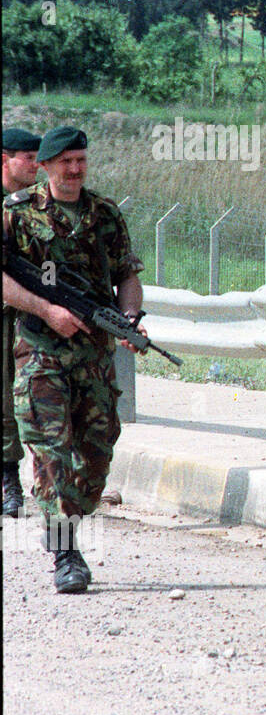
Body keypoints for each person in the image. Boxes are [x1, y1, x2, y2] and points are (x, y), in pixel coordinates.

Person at [2, 126, 145, 592]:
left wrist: (128, 317)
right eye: (66, 161)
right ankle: (67, 554)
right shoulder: (16, 214)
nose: (76, 169)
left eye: (81, 159)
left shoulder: (104, 214)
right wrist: (47, 309)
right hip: (41, 350)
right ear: (44, 166)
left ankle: (63, 523)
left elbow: (127, 274)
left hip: (94, 356)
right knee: (49, 451)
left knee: (96, 456)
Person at [2, 127, 42, 519]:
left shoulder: (36, 206)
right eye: (28, 157)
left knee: (29, 394)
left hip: (29, 311)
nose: (36, 164)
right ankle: (7, 477)